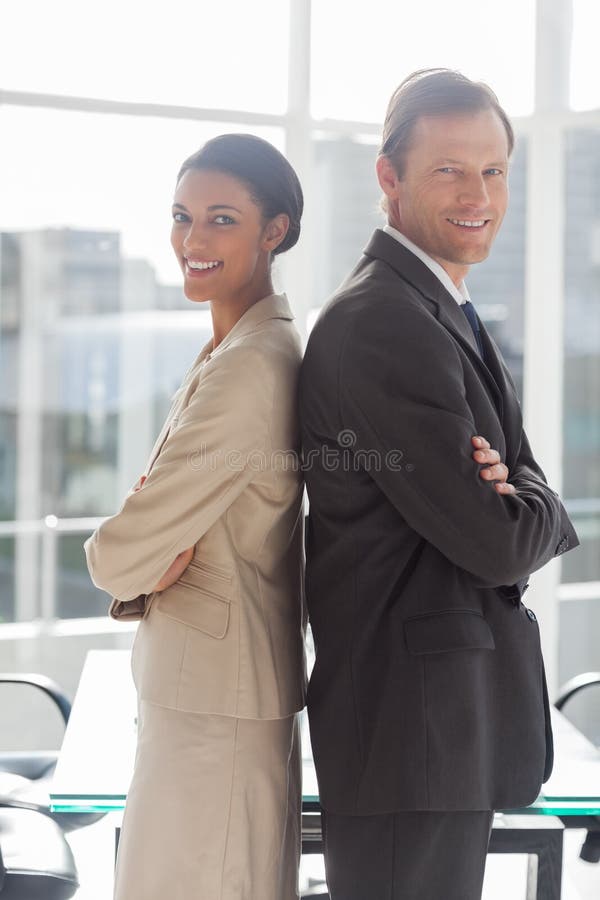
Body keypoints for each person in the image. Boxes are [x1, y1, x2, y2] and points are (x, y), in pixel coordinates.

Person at [299, 69, 578, 900]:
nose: (479, 193)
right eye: (449, 169)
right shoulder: (384, 320)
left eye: (494, 170)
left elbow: (514, 471)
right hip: (408, 732)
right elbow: (495, 539)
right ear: (389, 177)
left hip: (436, 731)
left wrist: (519, 484)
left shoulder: (438, 306)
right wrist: (541, 501)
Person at [85, 133, 306, 900]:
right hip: (207, 694)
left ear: (273, 231)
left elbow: (120, 553)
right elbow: (150, 535)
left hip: (219, 706)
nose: (193, 240)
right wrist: (150, 542)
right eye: (183, 217)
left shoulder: (250, 367)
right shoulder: (232, 348)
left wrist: (139, 547)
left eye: (221, 219)